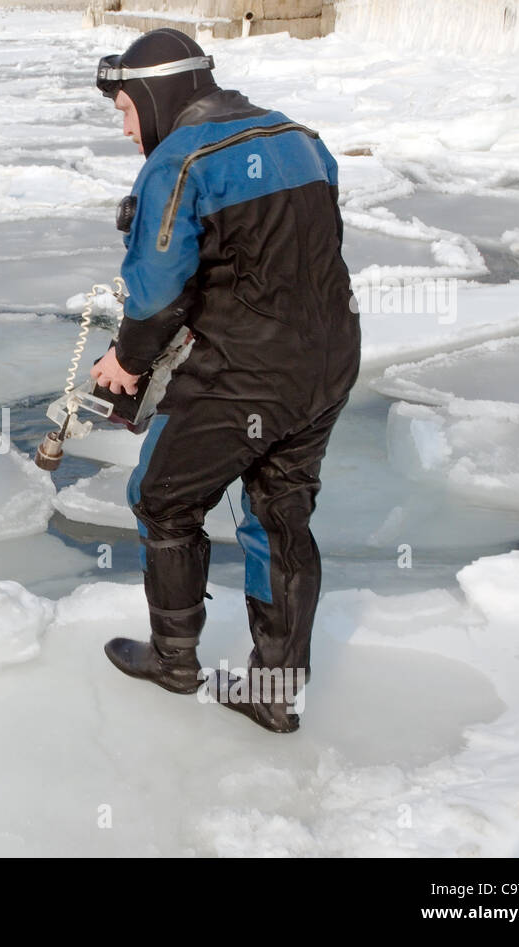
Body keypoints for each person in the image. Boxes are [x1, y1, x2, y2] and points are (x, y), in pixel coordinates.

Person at [89, 29, 361, 733]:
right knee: (281, 512)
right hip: (328, 358)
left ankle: (174, 659)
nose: (125, 127)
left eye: (124, 108)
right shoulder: (300, 137)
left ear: (154, 93)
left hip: (244, 373)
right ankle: (275, 687)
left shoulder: (181, 161)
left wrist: (127, 359)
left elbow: (153, 293)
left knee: (162, 498)